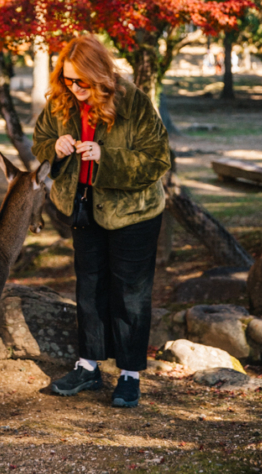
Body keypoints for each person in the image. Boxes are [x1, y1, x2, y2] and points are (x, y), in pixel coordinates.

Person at [32, 35, 170, 407]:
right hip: (84, 206)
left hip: (134, 212)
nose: (74, 88)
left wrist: (104, 157)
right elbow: (40, 140)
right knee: (89, 287)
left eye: (82, 81)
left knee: (130, 293)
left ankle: (129, 375)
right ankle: (88, 367)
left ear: (99, 76)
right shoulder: (61, 102)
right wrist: (54, 148)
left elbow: (157, 160)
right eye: (67, 79)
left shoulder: (133, 102)